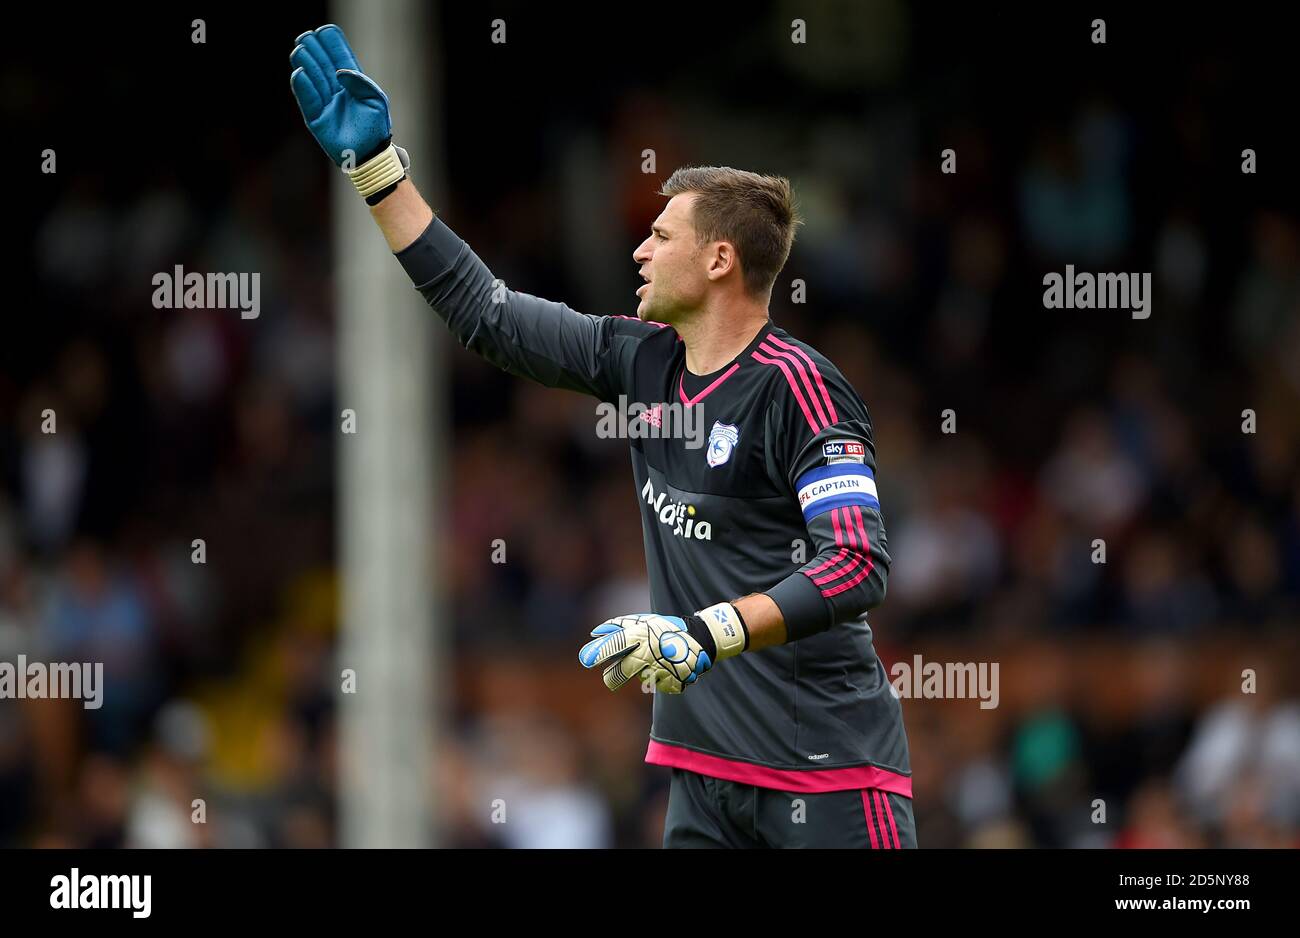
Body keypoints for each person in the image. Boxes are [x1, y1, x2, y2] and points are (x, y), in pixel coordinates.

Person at [290, 23, 914, 848]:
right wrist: (378, 173)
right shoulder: (639, 359)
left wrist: (707, 632)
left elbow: (857, 562)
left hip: (829, 778)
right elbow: (489, 316)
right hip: (705, 783)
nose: (638, 247)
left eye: (661, 235)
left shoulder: (798, 388)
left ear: (721, 259)